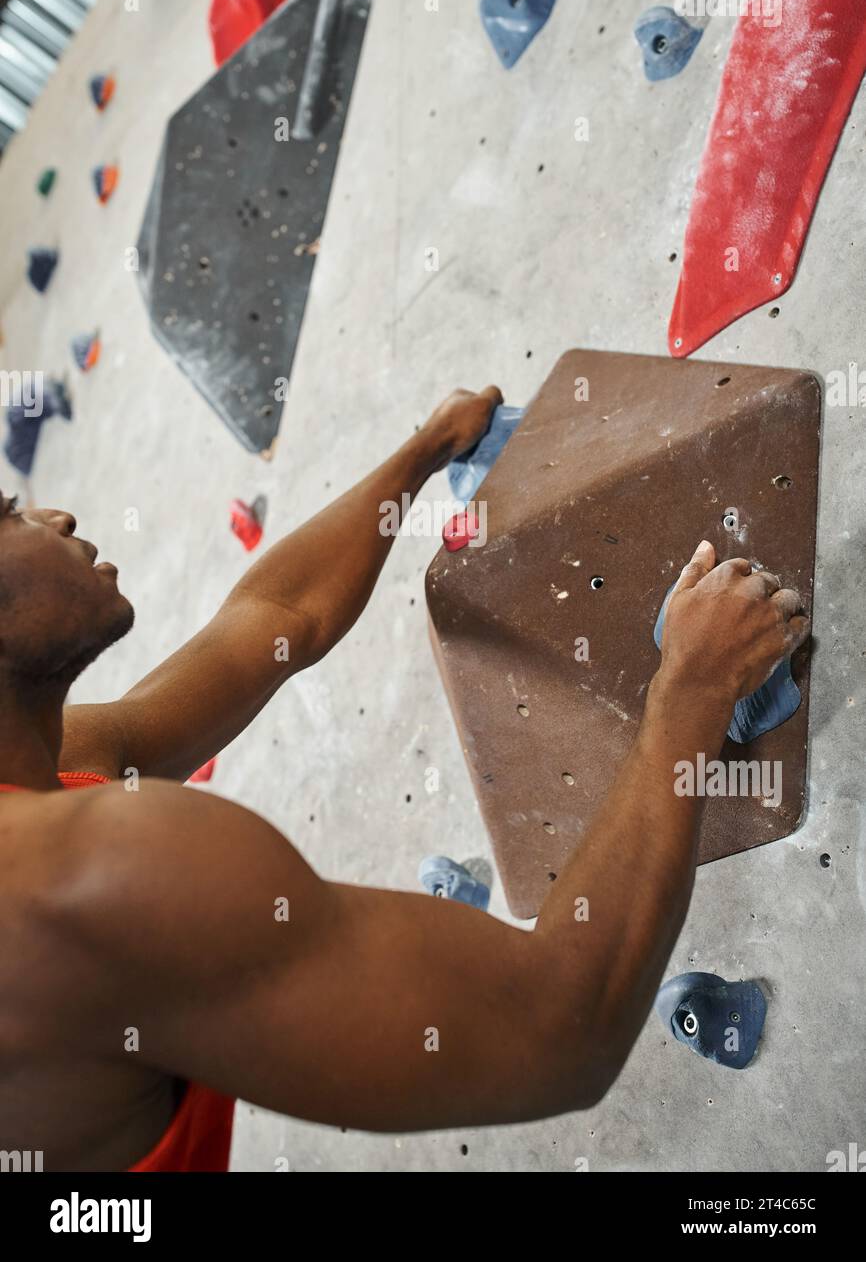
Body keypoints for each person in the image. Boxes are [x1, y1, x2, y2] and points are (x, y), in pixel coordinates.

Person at [0, 387, 808, 1170]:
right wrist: (692, 695)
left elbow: (277, 620)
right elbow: (562, 1026)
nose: (52, 514)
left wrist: (423, 452)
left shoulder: (58, 761)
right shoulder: (91, 887)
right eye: (8, 519)